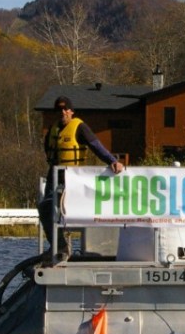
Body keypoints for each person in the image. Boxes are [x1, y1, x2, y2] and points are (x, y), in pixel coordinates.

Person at [40, 95, 125, 260]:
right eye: (59, 110)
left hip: (72, 179)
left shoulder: (79, 127)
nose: (62, 112)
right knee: (45, 209)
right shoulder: (53, 129)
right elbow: (48, 152)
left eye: (65, 109)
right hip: (54, 176)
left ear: (71, 111)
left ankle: (61, 248)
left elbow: (96, 145)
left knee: (55, 209)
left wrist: (112, 161)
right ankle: (58, 246)